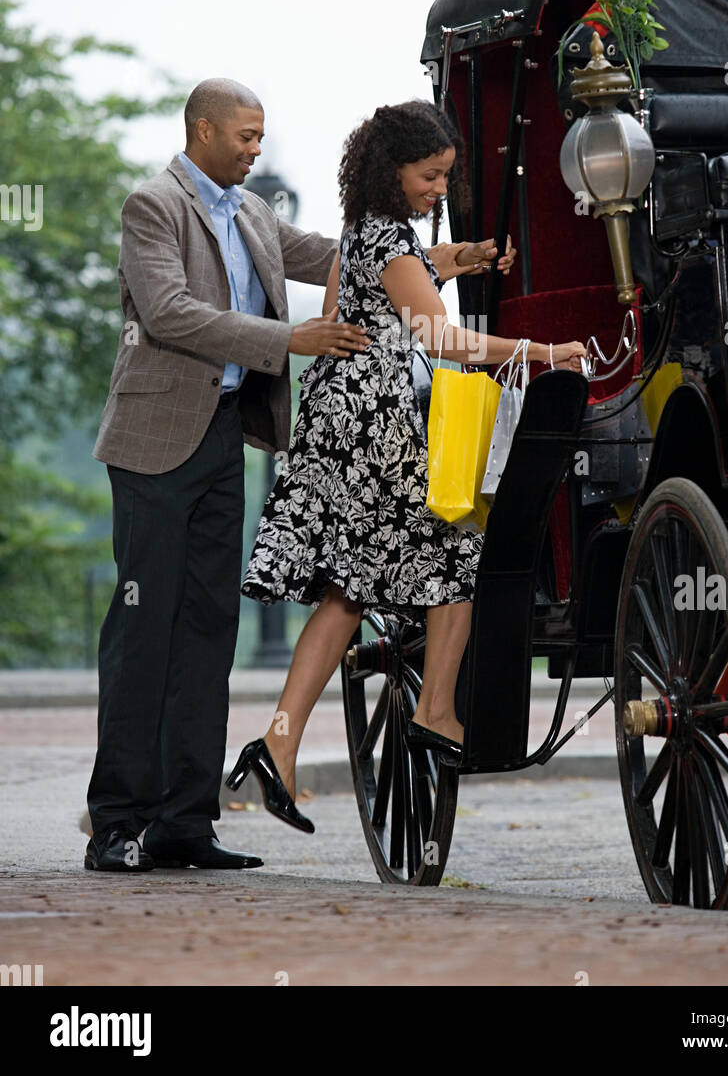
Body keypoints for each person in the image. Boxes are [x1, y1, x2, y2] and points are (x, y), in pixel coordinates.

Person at [86, 79, 513, 873]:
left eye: (260, 136)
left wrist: (455, 258)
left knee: (210, 628)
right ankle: (116, 821)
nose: (255, 147)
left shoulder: (251, 213)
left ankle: (185, 821)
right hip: (152, 442)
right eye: (245, 136)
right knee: (146, 627)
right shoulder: (154, 205)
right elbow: (168, 311)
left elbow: (348, 258)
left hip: (222, 434)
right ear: (203, 129)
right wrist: (291, 338)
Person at [232, 100, 585, 829]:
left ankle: (277, 744)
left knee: (348, 591)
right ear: (393, 173)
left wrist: (469, 255)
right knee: (457, 557)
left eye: (445, 178)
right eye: (430, 177)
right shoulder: (389, 238)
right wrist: (544, 353)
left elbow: (396, 284)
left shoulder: (366, 231)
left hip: (337, 422)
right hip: (374, 431)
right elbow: (440, 338)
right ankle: (434, 711)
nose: (439, 191)